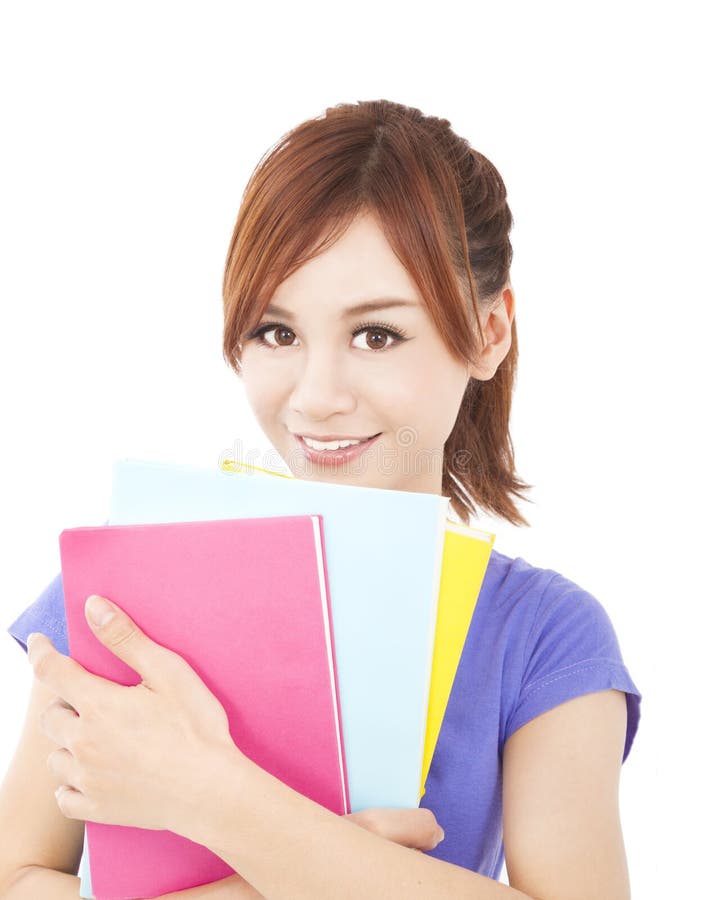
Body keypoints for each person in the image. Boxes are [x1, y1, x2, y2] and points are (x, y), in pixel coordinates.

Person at [0, 99, 641, 899]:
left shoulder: (543, 638)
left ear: (488, 332)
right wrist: (318, 867)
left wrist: (212, 794)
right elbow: (17, 877)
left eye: (376, 335)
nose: (316, 397)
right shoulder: (124, 597)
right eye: (276, 331)